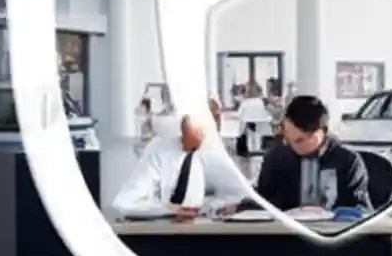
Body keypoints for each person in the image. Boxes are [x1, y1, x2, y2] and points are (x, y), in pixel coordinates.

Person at [112, 113, 249, 221]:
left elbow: (239, 194)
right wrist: (169, 211)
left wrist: (212, 206)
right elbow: (124, 204)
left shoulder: (214, 153)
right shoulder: (159, 150)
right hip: (163, 230)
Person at [249, 95, 371, 213]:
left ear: (323, 130)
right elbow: (262, 203)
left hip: (333, 230)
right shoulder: (276, 159)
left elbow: (361, 210)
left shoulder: (348, 161)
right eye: (288, 139)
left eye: (300, 140)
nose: (293, 146)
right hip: (285, 230)